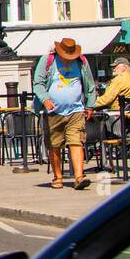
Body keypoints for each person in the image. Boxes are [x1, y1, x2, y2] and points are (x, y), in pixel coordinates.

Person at [32, 37, 97, 191]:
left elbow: (89, 84)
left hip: (76, 110)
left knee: (76, 142)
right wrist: (45, 99)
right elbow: (38, 83)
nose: (69, 59)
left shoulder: (81, 61)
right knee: (54, 145)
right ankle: (58, 177)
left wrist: (89, 105)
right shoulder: (47, 61)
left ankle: (79, 177)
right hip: (53, 111)